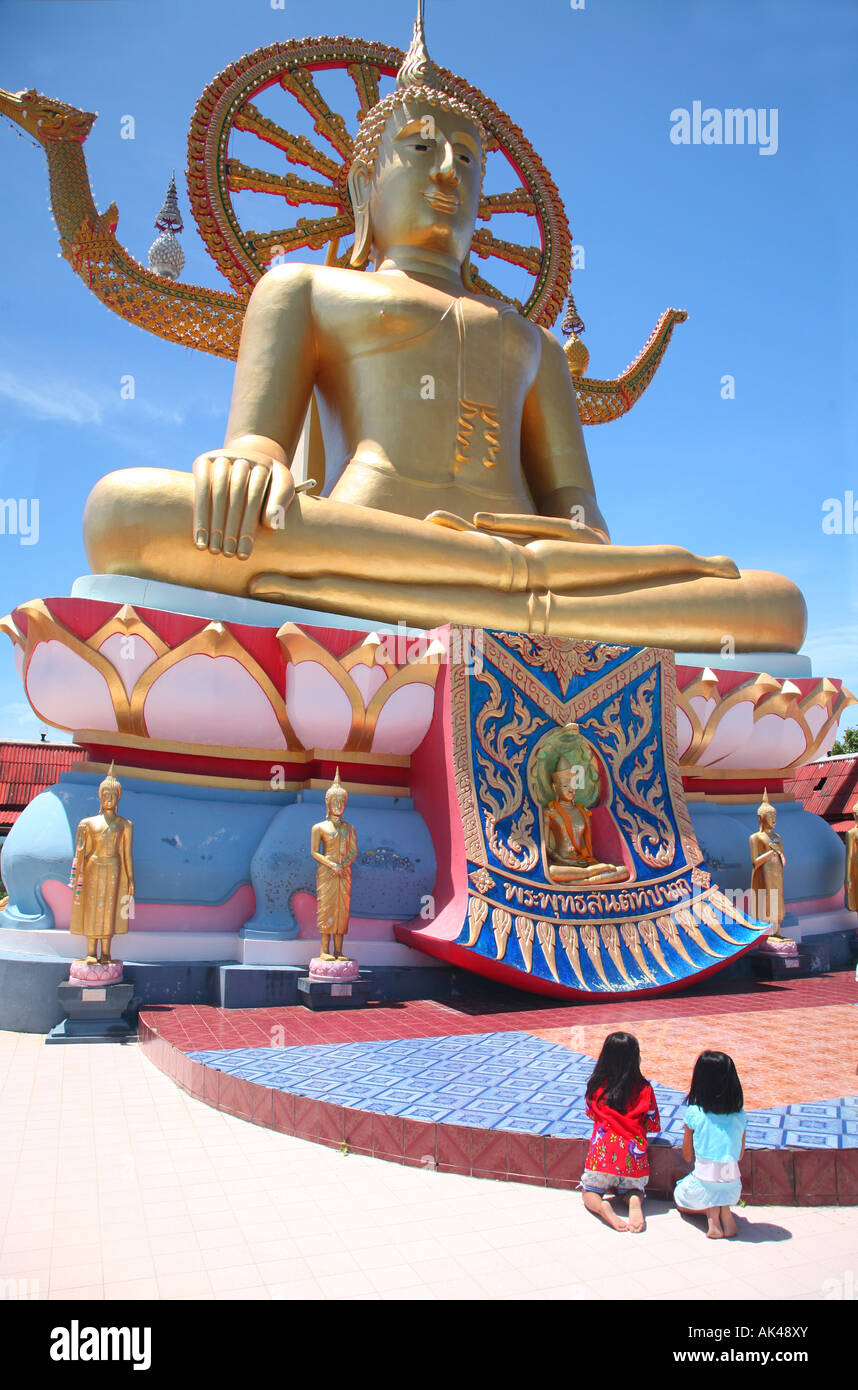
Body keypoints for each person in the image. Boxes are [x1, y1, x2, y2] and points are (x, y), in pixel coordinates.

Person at [581, 1031, 660, 1233]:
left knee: (589, 1191)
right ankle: (634, 1201)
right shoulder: (645, 1089)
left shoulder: (596, 1086)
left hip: (603, 1155)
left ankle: (601, 1206)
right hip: (634, 1157)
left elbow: (591, 1113)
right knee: (634, 1189)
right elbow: (651, 1124)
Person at [674, 1050, 746, 1239]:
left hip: (703, 1183)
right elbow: (739, 1155)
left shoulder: (694, 1113)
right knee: (720, 1185)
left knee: (680, 1198)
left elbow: (687, 1155)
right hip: (733, 1187)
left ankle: (711, 1215)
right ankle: (724, 1211)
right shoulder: (740, 1115)